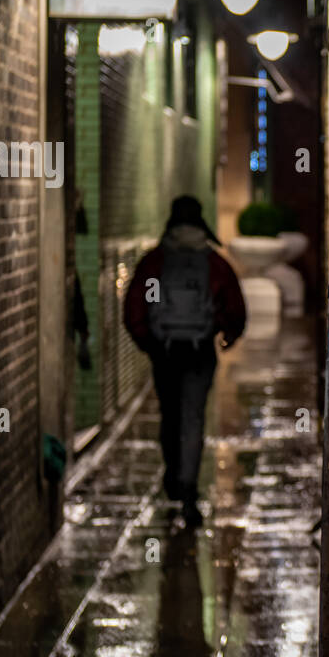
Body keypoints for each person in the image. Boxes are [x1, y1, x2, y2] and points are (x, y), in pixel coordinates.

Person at [124, 196, 245, 528]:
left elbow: (136, 306)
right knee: (192, 417)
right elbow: (234, 306)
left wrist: (148, 341)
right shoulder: (214, 263)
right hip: (199, 352)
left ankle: (173, 476)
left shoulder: (155, 262)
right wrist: (227, 334)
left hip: (165, 352)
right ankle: (188, 490)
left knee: (170, 414)